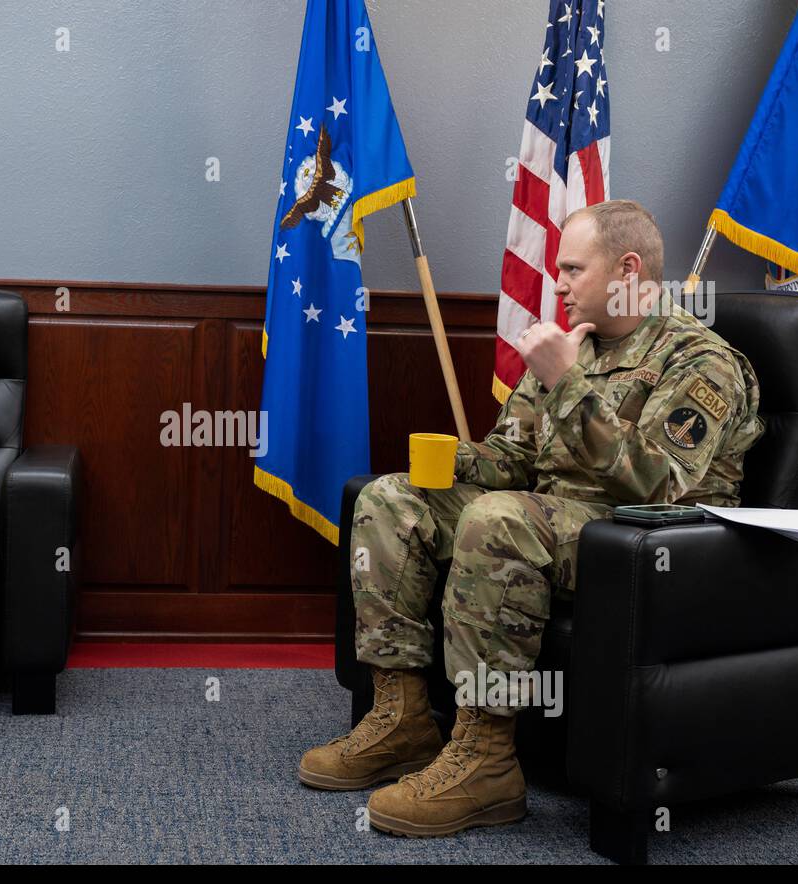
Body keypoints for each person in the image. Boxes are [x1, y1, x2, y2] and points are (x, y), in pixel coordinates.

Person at [298, 199, 766, 836]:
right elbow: (514, 459)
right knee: (391, 498)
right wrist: (452, 463)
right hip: (550, 519)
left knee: (498, 520)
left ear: (628, 270)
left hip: (648, 541)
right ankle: (401, 717)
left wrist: (569, 384)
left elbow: (656, 485)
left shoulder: (701, 361)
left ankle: (486, 759)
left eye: (573, 268)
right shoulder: (577, 347)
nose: (559, 284)